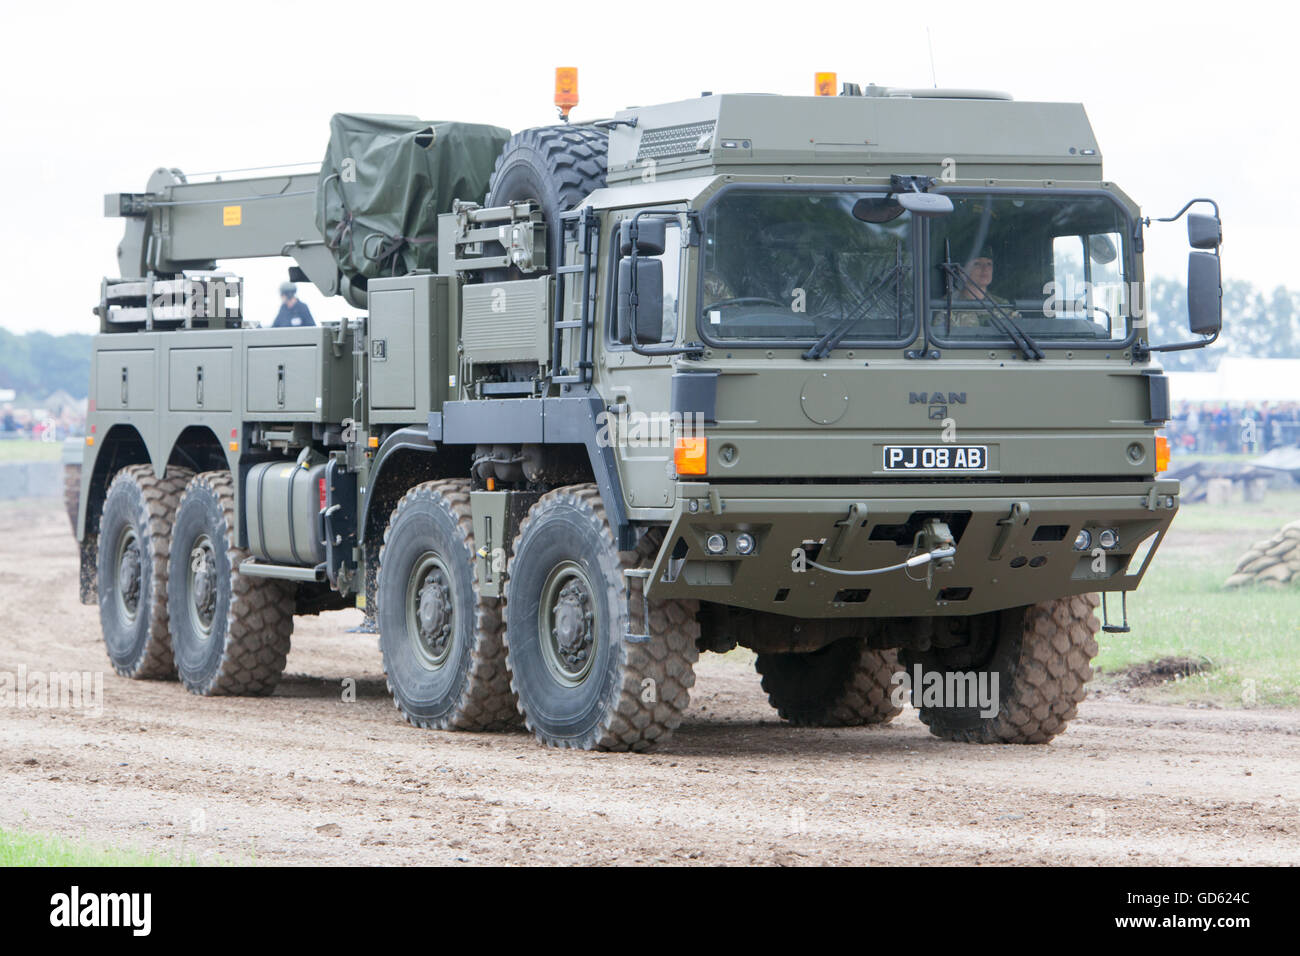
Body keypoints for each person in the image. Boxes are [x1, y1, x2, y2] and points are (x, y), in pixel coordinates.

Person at [936, 247, 1017, 330]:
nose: (985, 269)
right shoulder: (947, 306)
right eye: (977, 264)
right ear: (961, 271)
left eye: (989, 264)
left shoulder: (1003, 305)